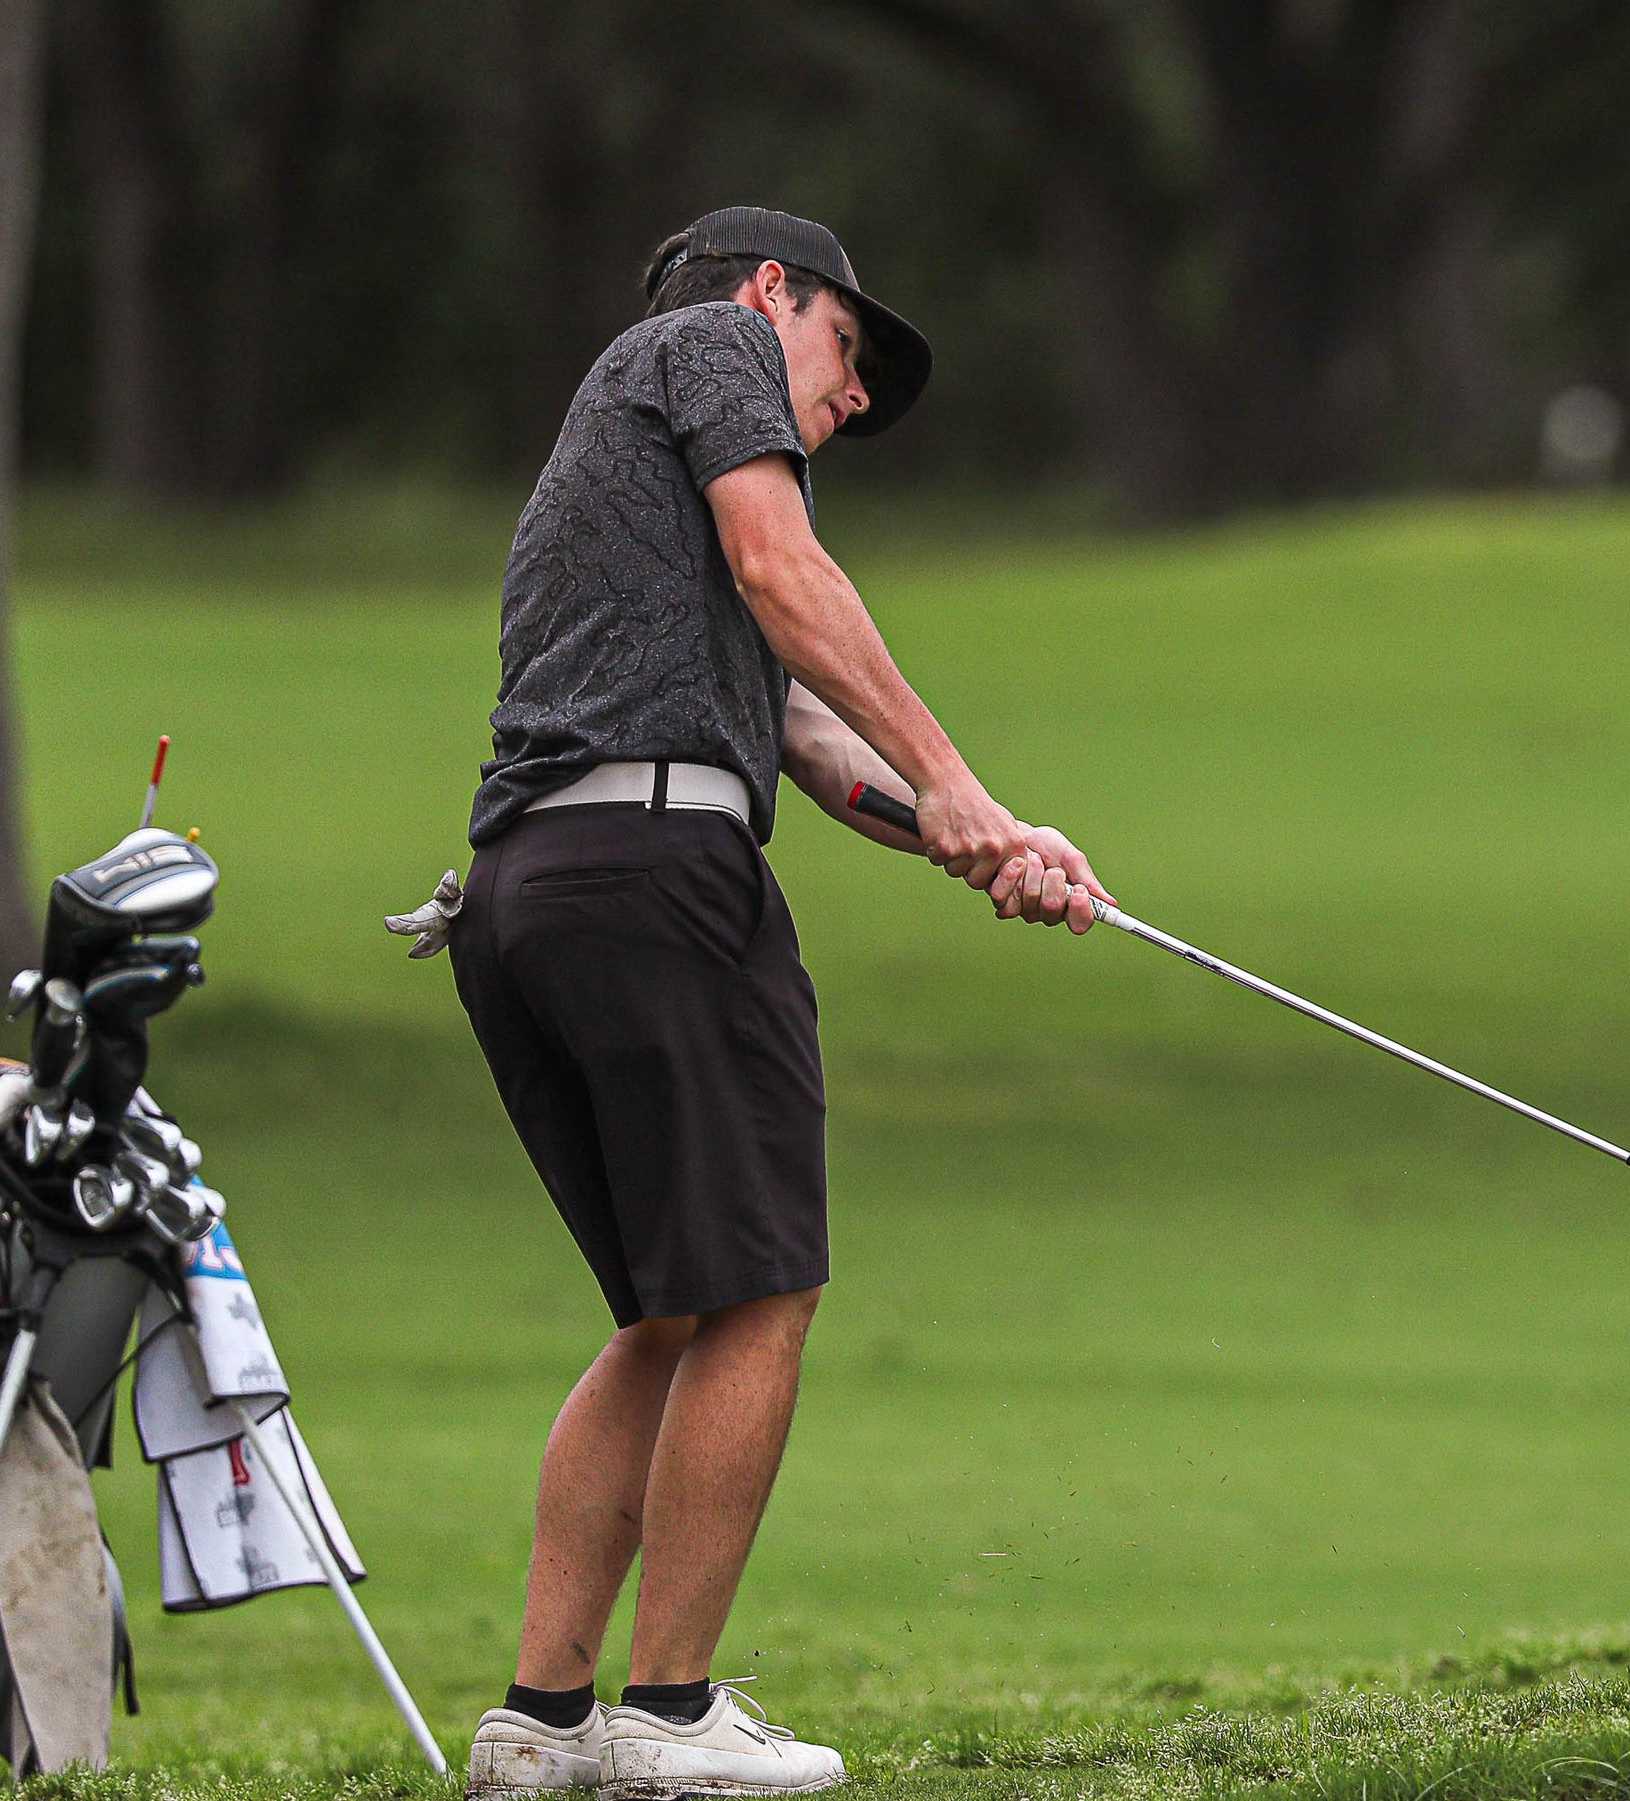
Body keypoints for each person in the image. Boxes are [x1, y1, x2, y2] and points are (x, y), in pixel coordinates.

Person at [438, 205, 1110, 1801]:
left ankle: (541, 1722)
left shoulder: (630, 507)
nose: (852, 398)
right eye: (848, 349)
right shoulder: (704, 345)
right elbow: (784, 566)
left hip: (532, 891)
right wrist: (961, 776)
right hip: (658, 876)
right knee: (762, 1288)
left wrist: (982, 840)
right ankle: (669, 1719)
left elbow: (804, 734)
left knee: (671, 1308)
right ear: (769, 295)